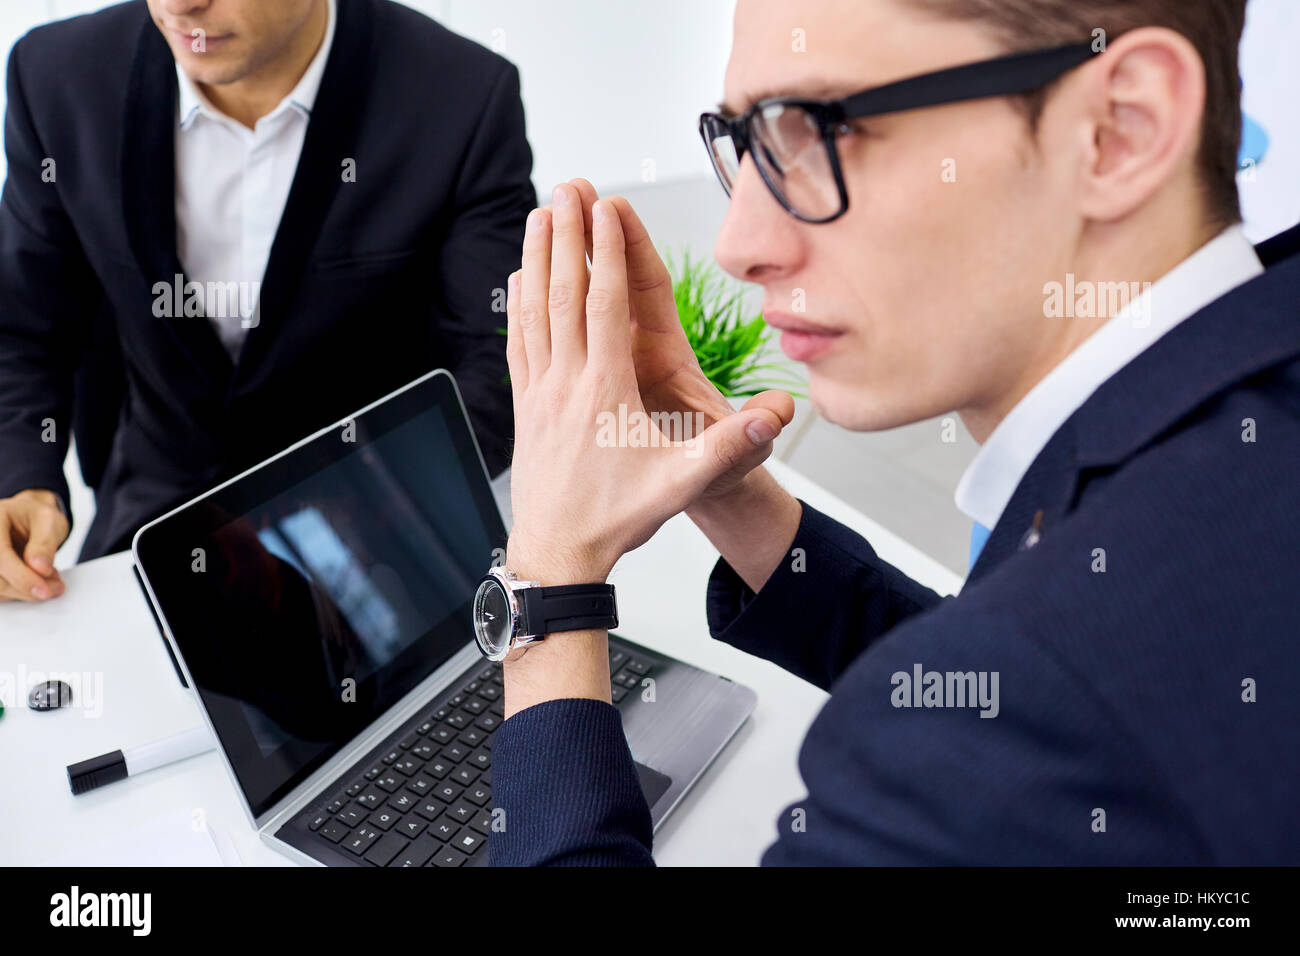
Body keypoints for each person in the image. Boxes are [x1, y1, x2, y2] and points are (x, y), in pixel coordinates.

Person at [486, 0, 1300, 864]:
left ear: (1119, 129)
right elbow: (1005, 688)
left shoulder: (1055, 701)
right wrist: (736, 495)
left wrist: (546, 589)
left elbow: (1034, 700)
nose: (739, 242)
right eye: (747, 144)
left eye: (817, 132)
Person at [0, 0, 534, 602]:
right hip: (152, 522)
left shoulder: (461, 97)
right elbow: (24, 325)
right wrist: (25, 480)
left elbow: (497, 357)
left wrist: (391, 510)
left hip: (374, 534)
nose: (179, 6)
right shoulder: (55, 74)